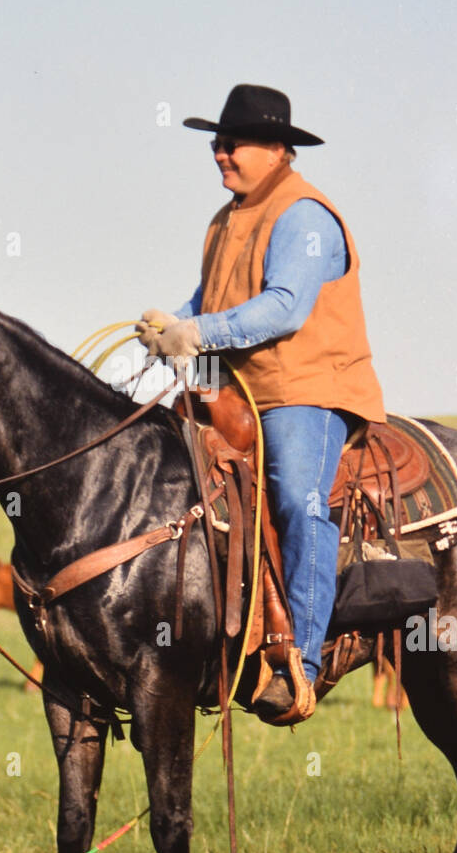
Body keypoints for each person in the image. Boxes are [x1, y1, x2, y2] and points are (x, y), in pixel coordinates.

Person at [137, 84, 385, 726]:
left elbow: (285, 307)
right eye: (216, 143)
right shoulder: (225, 220)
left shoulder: (303, 215)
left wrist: (198, 333)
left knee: (296, 496)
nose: (219, 154)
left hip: (305, 391)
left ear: (277, 150)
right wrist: (173, 323)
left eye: (232, 143)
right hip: (232, 390)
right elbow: (208, 301)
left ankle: (299, 662)